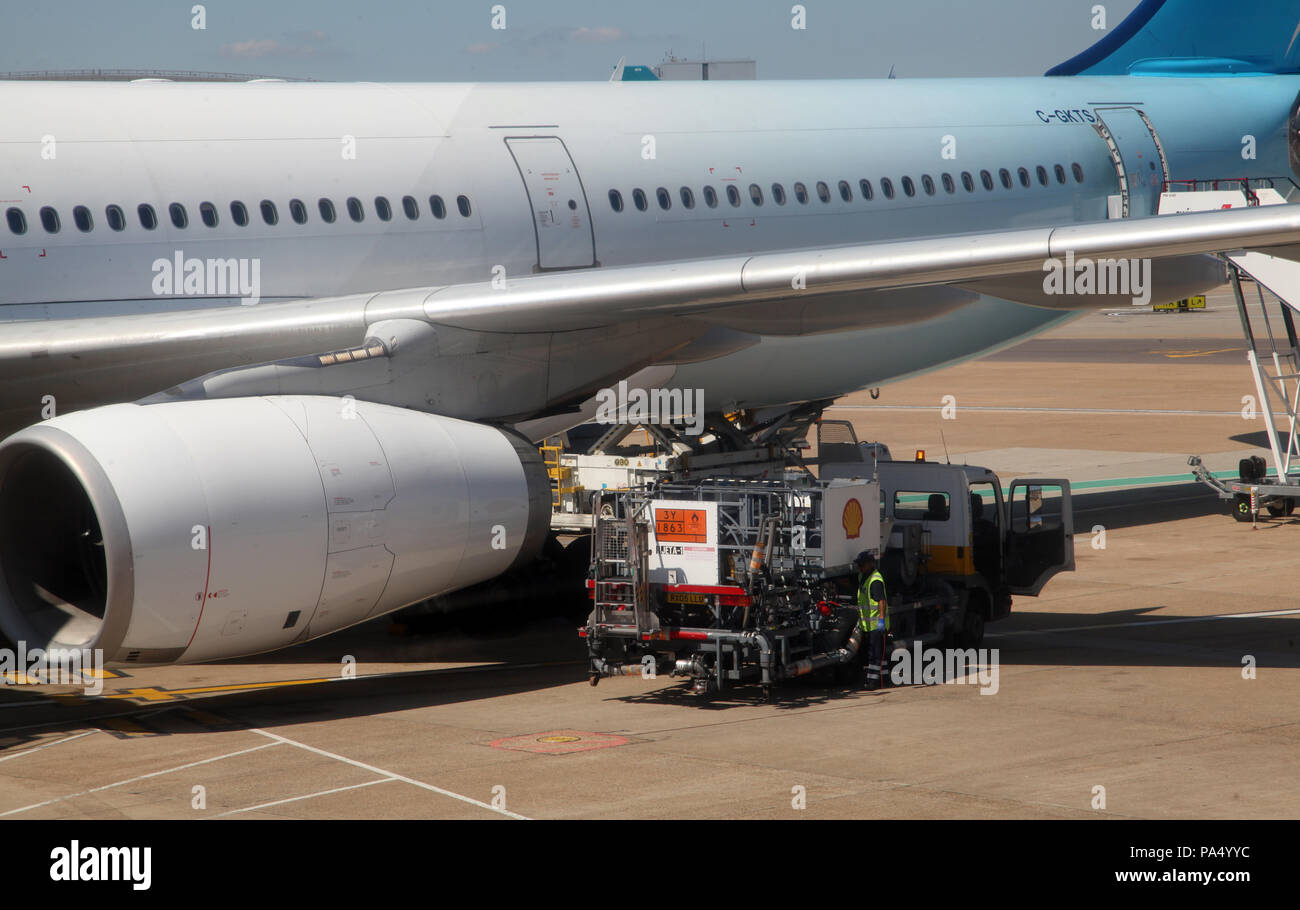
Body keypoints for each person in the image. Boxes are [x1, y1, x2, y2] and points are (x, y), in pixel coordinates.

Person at [855, 550, 889, 690]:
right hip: (869, 624)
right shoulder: (863, 576)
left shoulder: (875, 580)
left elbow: (881, 601)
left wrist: (881, 620)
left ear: (870, 564)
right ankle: (884, 678)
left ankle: (874, 682)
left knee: (875, 654)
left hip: (876, 624)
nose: (860, 568)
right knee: (878, 653)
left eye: (862, 565)